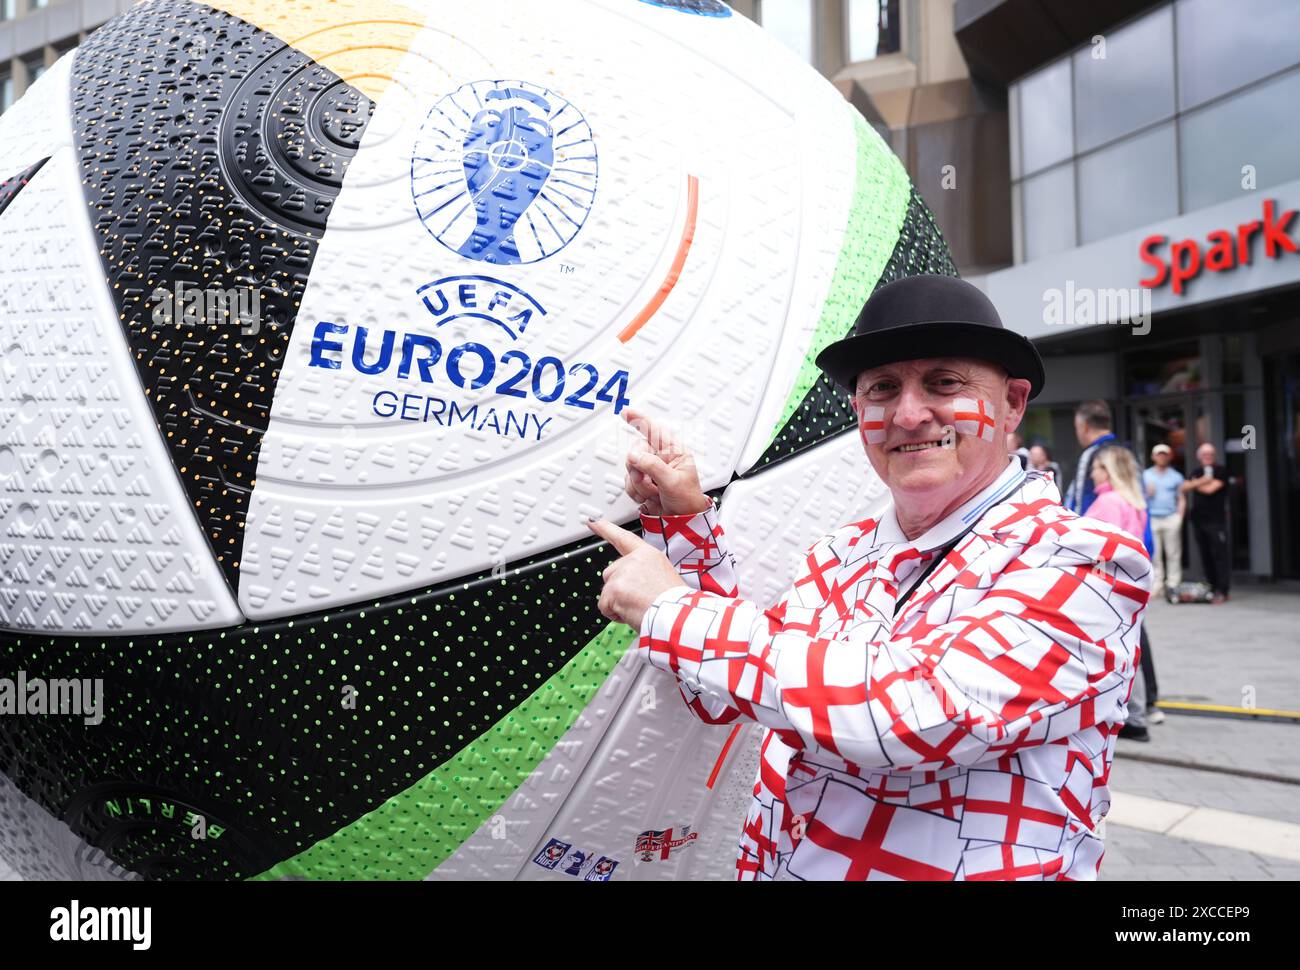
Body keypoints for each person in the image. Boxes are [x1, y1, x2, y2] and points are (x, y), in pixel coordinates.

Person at [587, 275, 1151, 881]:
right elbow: (724, 690)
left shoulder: (1084, 557)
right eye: (883, 389)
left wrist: (672, 608)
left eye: (945, 382)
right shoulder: (839, 554)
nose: (909, 414)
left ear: (1013, 403)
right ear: (860, 413)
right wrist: (683, 522)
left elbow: (912, 718)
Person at [1084, 446, 1159, 739]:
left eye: (1097, 468)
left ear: (1109, 471)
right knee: (1128, 650)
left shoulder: (1109, 503)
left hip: (1107, 590)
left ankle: (1132, 717)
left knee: (1114, 654)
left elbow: (1101, 549)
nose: (1092, 473)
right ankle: (1135, 715)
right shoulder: (1132, 501)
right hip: (1128, 587)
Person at [1064, 399, 1155, 559]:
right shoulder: (1127, 453)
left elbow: (1079, 503)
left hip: (1100, 552)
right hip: (1133, 551)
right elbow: (1140, 497)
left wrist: (1072, 546)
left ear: (1084, 426)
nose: (1093, 473)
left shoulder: (1092, 455)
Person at [1180, 442, 1230, 603]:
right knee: (1205, 555)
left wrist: (1196, 483)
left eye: (1210, 454)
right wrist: (1203, 480)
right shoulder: (1196, 471)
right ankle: (1212, 587)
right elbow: (1184, 487)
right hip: (1198, 521)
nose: (1207, 456)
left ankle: (1222, 590)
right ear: (1199, 456)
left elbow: (1211, 489)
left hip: (1216, 521)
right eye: (1204, 454)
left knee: (1220, 556)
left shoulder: (1221, 470)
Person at [1142, 444, 1185, 603]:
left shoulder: (1176, 476)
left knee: (1173, 553)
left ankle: (1173, 583)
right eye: (1159, 455)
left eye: (1164, 455)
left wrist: (1179, 517)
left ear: (1169, 457)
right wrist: (1147, 494)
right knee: (1155, 554)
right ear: (1153, 457)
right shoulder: (1145, 475)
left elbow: (1181, 498)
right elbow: (1138, 496)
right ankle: (1157, 584)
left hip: (1170, 517)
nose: (1161, 457)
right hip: (1152, 517)